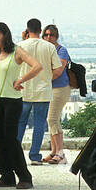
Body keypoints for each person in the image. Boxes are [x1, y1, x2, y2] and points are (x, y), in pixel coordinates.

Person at [0, 21, 41, 188]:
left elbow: (37, 66)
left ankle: (25, 177)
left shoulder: (17, 51)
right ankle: (6, 175)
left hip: (12, 101)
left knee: (11, 139)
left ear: (5, 35)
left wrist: (21, 79)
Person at [15, 18, 63, 165]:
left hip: (23, 90)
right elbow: (57, 68)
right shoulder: (49, 47)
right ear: (40, 31)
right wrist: (48, 78)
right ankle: (35, 155)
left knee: (20, 123)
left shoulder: (19, 46)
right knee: (39, 124)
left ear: (27, 30)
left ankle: (15, 153)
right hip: (43, 90)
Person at [43, 24, 72, 164]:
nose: (49, 38)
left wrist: (41, 77)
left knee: (52, 119)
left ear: (56, 36)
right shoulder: (44, 50)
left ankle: (60, 153)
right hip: (49, 88)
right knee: (52, 121)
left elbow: (58, 71)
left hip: (60, 88)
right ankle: (54, 151)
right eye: (46, 35)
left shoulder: (61, 50)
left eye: (51, 35)